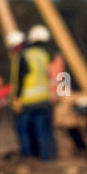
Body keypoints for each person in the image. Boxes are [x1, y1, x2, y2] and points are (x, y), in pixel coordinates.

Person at [14, 26, 55, 160]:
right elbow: (59, 75)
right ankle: (47, 159)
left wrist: (17, 99)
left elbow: (20, 79)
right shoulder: (45, 55)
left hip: (28, 102)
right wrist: (61, 93)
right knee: (43, 133)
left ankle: (28, 160)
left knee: (25, 133)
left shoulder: (25, 56)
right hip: (43, 100)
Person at [6, 30, 30, 157]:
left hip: (25, 100)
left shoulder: (22, 59)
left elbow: (21, 80)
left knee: (24, 130)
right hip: (32, 99)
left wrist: (18, 99)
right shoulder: (28, 57)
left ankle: (27, 155)